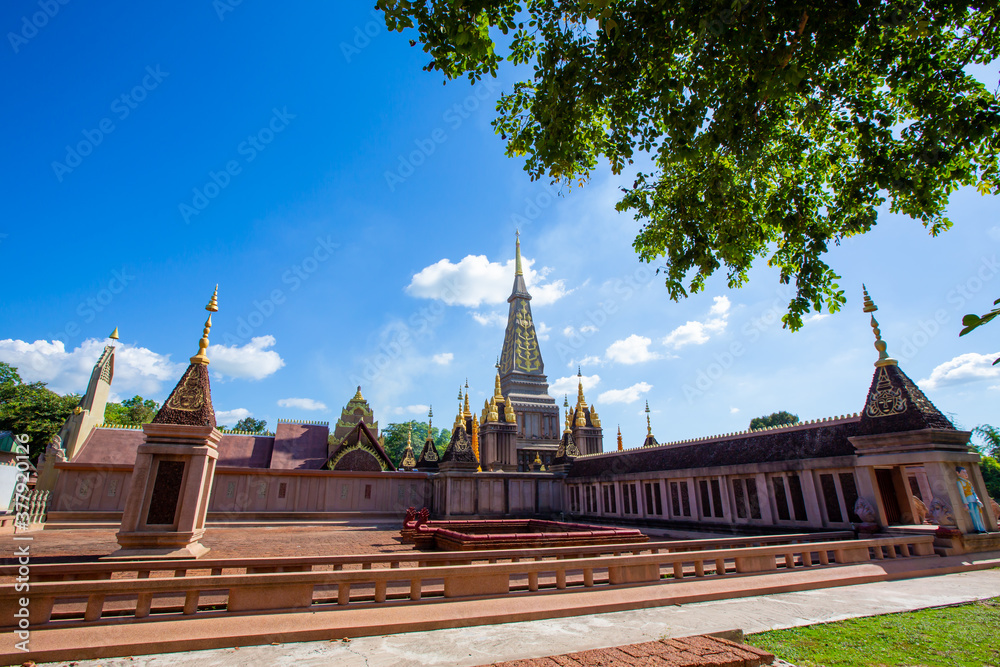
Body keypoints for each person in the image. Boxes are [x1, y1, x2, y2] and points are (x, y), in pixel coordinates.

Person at [956, 467, 987, 533]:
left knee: (977, 515)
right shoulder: (959, 482)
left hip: (974, 499)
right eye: (963, 472)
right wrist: (965, 503)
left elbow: (973, 492)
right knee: (973, 515)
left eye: (966, 472)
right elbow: (962, 494)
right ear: (958, 473)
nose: (966, 474)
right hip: (968, 501)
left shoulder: (968, 482)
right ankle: (977, 528)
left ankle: (982, 528)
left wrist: (977, 499)